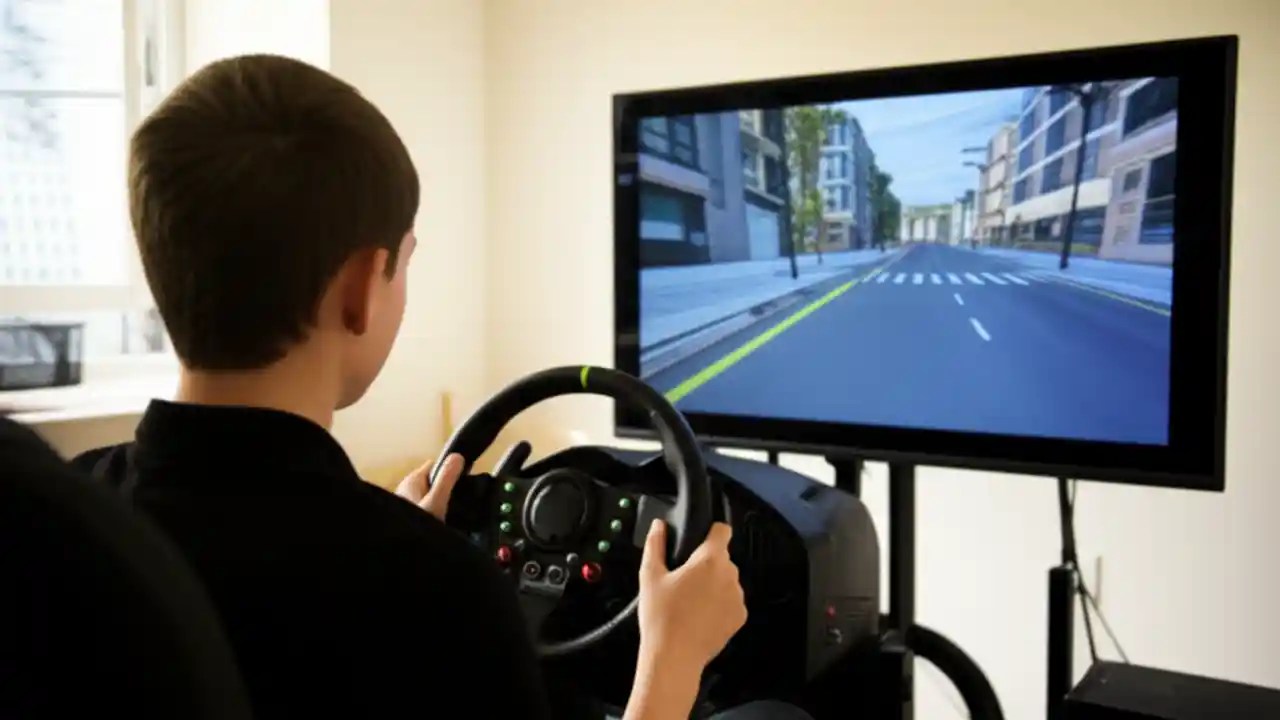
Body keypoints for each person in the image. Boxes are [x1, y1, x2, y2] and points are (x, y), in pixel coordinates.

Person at [73, 54, 809, 719]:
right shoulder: (434, 592)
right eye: (405, 264)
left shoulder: (68, 514)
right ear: (362, 288)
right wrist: (670, 662)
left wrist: (405, 535)